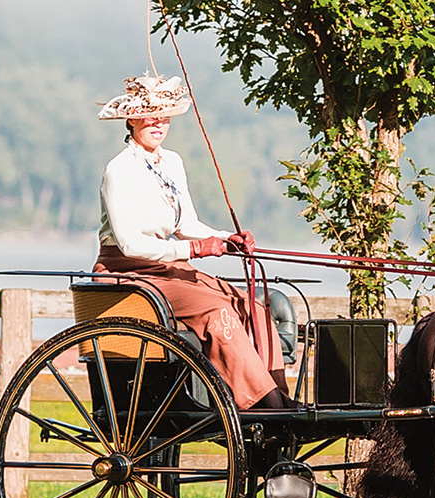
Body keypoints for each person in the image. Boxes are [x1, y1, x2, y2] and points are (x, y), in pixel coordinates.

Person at [95, 74, 291, 410]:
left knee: (255, 307)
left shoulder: (172, 162)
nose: (159, 122)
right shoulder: (119, 170)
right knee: (217, 310)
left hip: (167, 266)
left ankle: (278, 392)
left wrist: (224, 239)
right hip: (128, 272)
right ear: (131, 119)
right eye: (150, 114)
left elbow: (186, 224)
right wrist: (194, 250)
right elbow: (129, 245)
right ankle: (262, 402)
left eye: (165, 114)